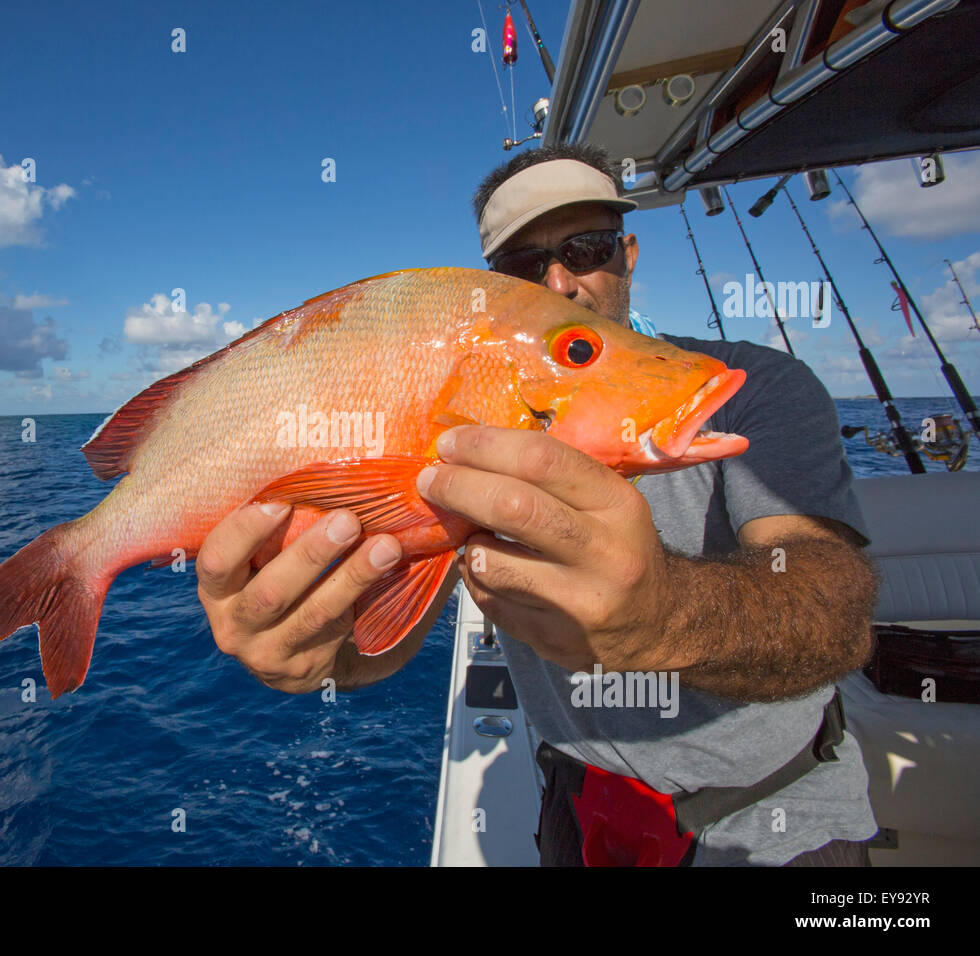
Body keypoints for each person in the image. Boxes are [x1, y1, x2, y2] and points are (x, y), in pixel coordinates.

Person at [196, 143, 880, 866]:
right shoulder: (480, 412)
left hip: (776, 819)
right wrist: (316, 655)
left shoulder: (758, 387)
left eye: (588, 247)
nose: (560, 279)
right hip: (578, 811)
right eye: (524, 266)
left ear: (630, 253)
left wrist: (661, 616)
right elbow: (380, 644)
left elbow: (831, 609)